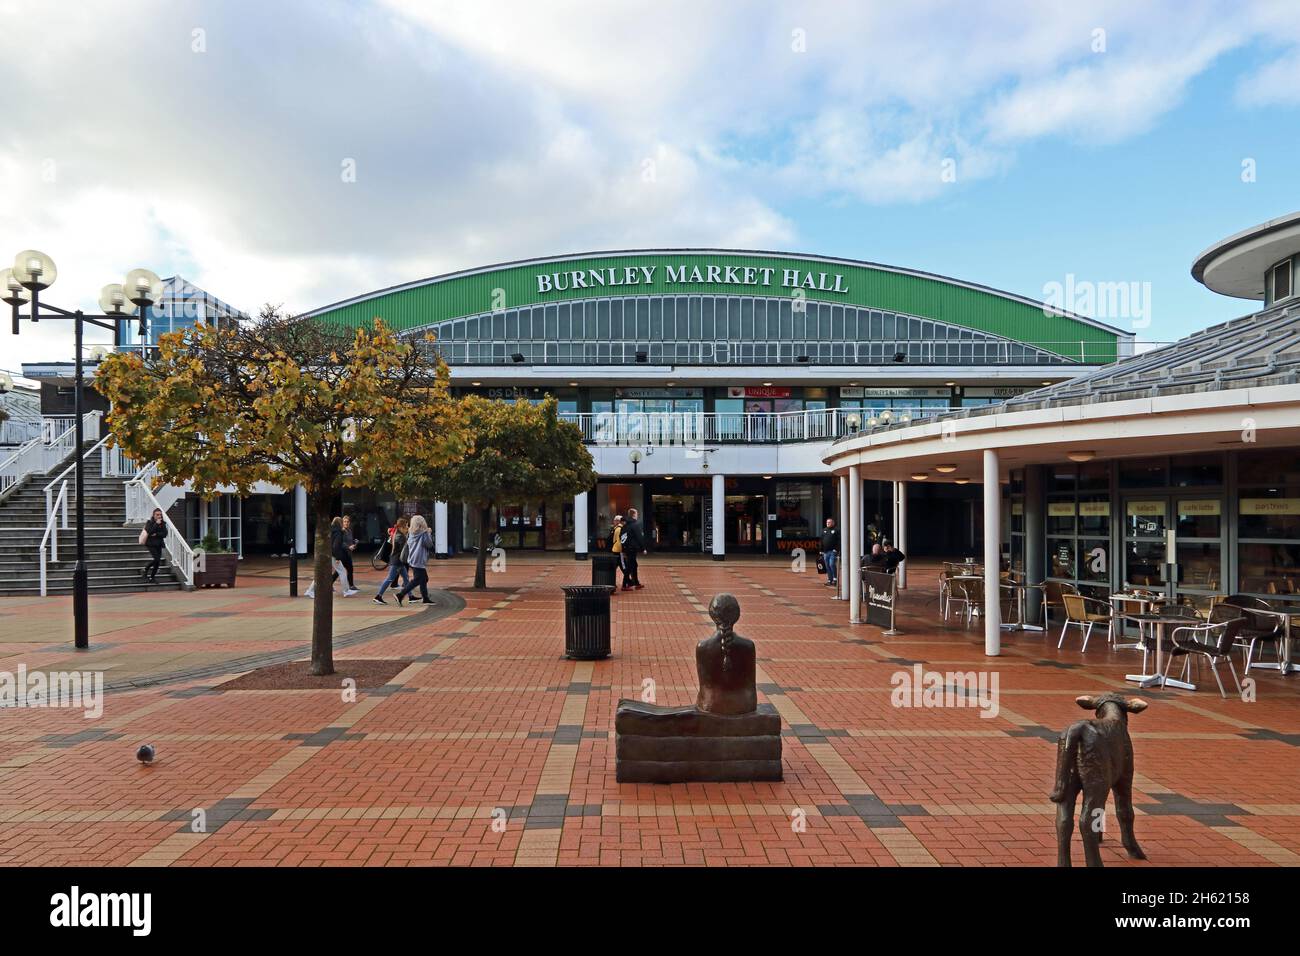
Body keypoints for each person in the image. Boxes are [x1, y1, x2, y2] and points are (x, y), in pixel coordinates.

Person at [395, 514, 434, 606]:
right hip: (419, 560)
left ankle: (425, 598)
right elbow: (429, 544)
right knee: (417, 580)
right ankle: (400, 595)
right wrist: (429, 533)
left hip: (413, 559)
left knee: (423, 579)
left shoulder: (410, 533)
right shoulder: (424, 533)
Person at [373, 516, 410, 604]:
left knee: (406, 578)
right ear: (401, 527)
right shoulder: (400, 537)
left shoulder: (398, 534)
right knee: (389, 579)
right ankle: (378, 596)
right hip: (397, 562)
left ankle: (411, 596)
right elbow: (404, 550)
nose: (407, 528)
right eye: (406, 526)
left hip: (398, 561)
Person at [139, 507, 167, 583]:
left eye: (160, 515)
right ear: (153, 515)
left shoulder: (163, 523)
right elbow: (150, 532)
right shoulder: (149, 522)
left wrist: (157, 534)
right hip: (150, 544)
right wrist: (156, 524)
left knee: (157, 562)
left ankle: (152, 577)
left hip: (159, 544)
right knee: (157, 559)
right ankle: (145, 569)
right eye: (157, 515)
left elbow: (165, 534)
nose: (159, 516)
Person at [621, 508, 646, 591]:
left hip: (627, 548)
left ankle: (636, 583)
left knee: (634, 565)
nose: (637, 515)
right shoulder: (634, 525)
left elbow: (622, 537)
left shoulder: (625, 525)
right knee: (629, 566)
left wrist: (623, 548)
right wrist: (643, 548)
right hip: (632, 548)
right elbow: (639, 537)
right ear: (634, 515)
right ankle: (624, 585)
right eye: (636, 514)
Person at [819, 517, 839, 588]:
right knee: (827, 566)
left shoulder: (836, 530)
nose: (828, 523)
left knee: (831, 564)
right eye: (827, 522)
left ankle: (835, 579)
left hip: (833, 551)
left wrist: (836, 549)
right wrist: (821, 550)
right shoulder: (824, 530)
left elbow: (839, 541)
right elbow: (821, 541)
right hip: (825, 552)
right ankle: (829, 580)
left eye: (829, 522)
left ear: (833, 523)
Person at [609, 514, 625, 592]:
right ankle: (628, 581)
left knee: (622, 566)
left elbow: (616, 540)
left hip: (617, 550)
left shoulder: (618, 529)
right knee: (622, 566)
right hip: (618, 550)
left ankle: (627, 581)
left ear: (618, 521)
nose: (613, 521)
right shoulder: (618, 528)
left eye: (615, 520)